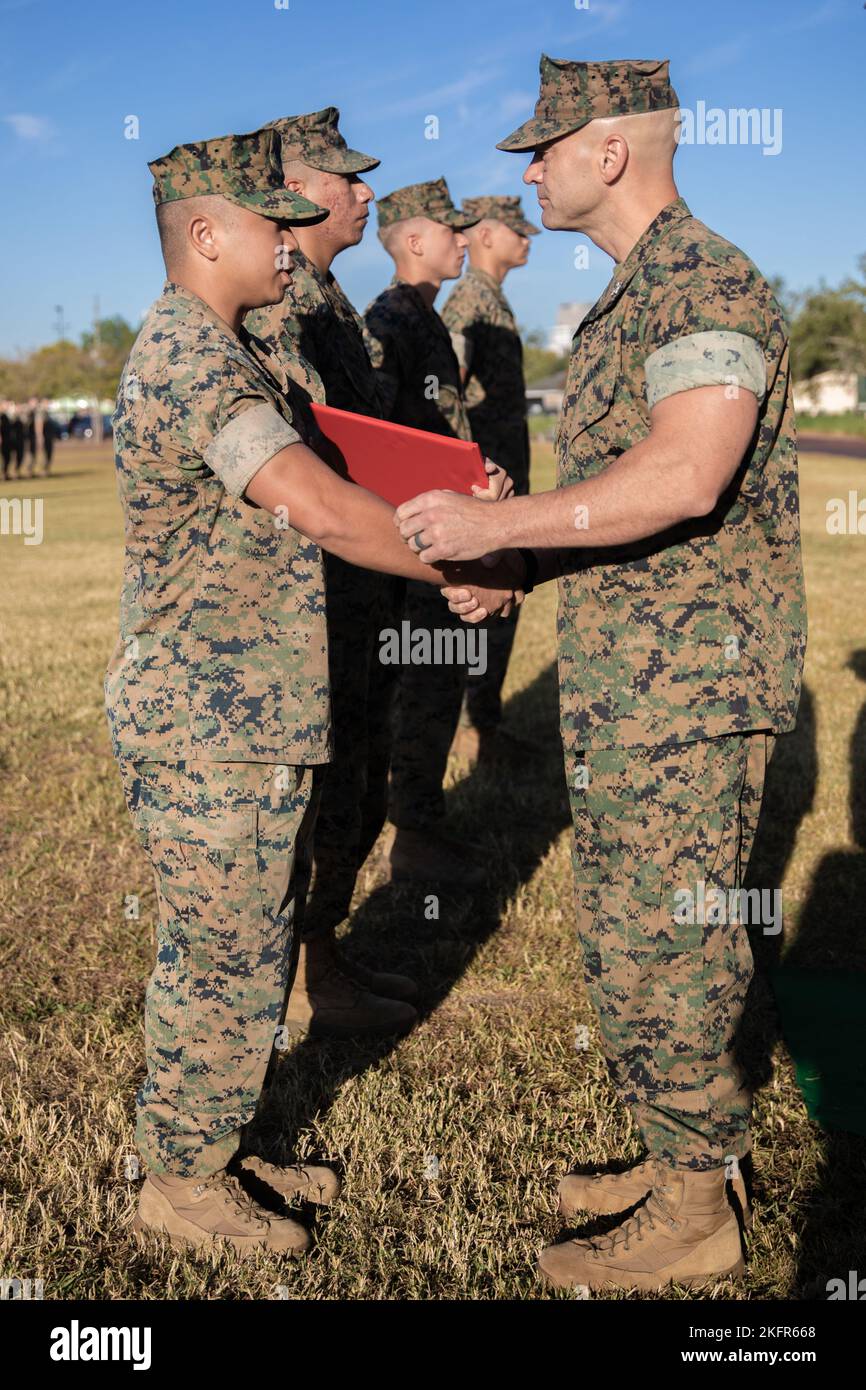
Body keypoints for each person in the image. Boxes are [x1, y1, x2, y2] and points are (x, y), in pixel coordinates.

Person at [393, 55, 806, 1291]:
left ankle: (693, 1216)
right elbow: (636, 514)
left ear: (609, 152)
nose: (525, 174)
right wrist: (520, 563)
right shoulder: (640, 292)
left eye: (543, 149)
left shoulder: (699, 281)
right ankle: (684, 1155)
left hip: (686, 691)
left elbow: (685, 479)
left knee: (661, 947)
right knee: (636, 943)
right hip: (642, 681)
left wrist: (499, 532)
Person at [107, 128, 521, 1256]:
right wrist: (468, 557)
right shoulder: (190, 356)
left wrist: (454, 495)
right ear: (204, 234)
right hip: (206, 721)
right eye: (267, 223)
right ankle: (181, 1184)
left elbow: (353, 460)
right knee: (222, 954)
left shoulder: (241, 348)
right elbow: (322, 506)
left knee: (252, 938)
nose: (291, 242)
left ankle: (216, 1147)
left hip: (248, 711)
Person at [246, 107, 417, 1039]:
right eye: (343, 179)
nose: (365, 194)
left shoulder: (331, 301)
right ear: (290, 189)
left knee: (357, 775)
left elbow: (369, 446)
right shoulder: (281, 308)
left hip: (362, 587)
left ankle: (325, 959)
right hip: (312, 596)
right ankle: (304, 976)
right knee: (318, 788)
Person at [364, 178, 505, 889]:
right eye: (450, 230)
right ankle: (413, 837)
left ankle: (421, 831)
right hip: (414, 541)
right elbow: (374, 441)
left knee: (440, 679)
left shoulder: (421, 316)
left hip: (441, 527)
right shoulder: (391, 319)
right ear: (414, 240)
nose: (463, 239)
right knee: (422, 687)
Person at [441, 195, 540, 762]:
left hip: (501, 494)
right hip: (483, 495)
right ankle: (469, 733)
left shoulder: (491, 299)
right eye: (516, 230)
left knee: (502, 611)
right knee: (479, 614)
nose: (528, 238)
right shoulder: (470, 303)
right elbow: (448, 390)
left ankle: (485, 726)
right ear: (482, 234)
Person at [0, 404, 11, 480]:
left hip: (6, 440)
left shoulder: (5, 416)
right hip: (2, 440)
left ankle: (5, 473)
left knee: (7, 457)